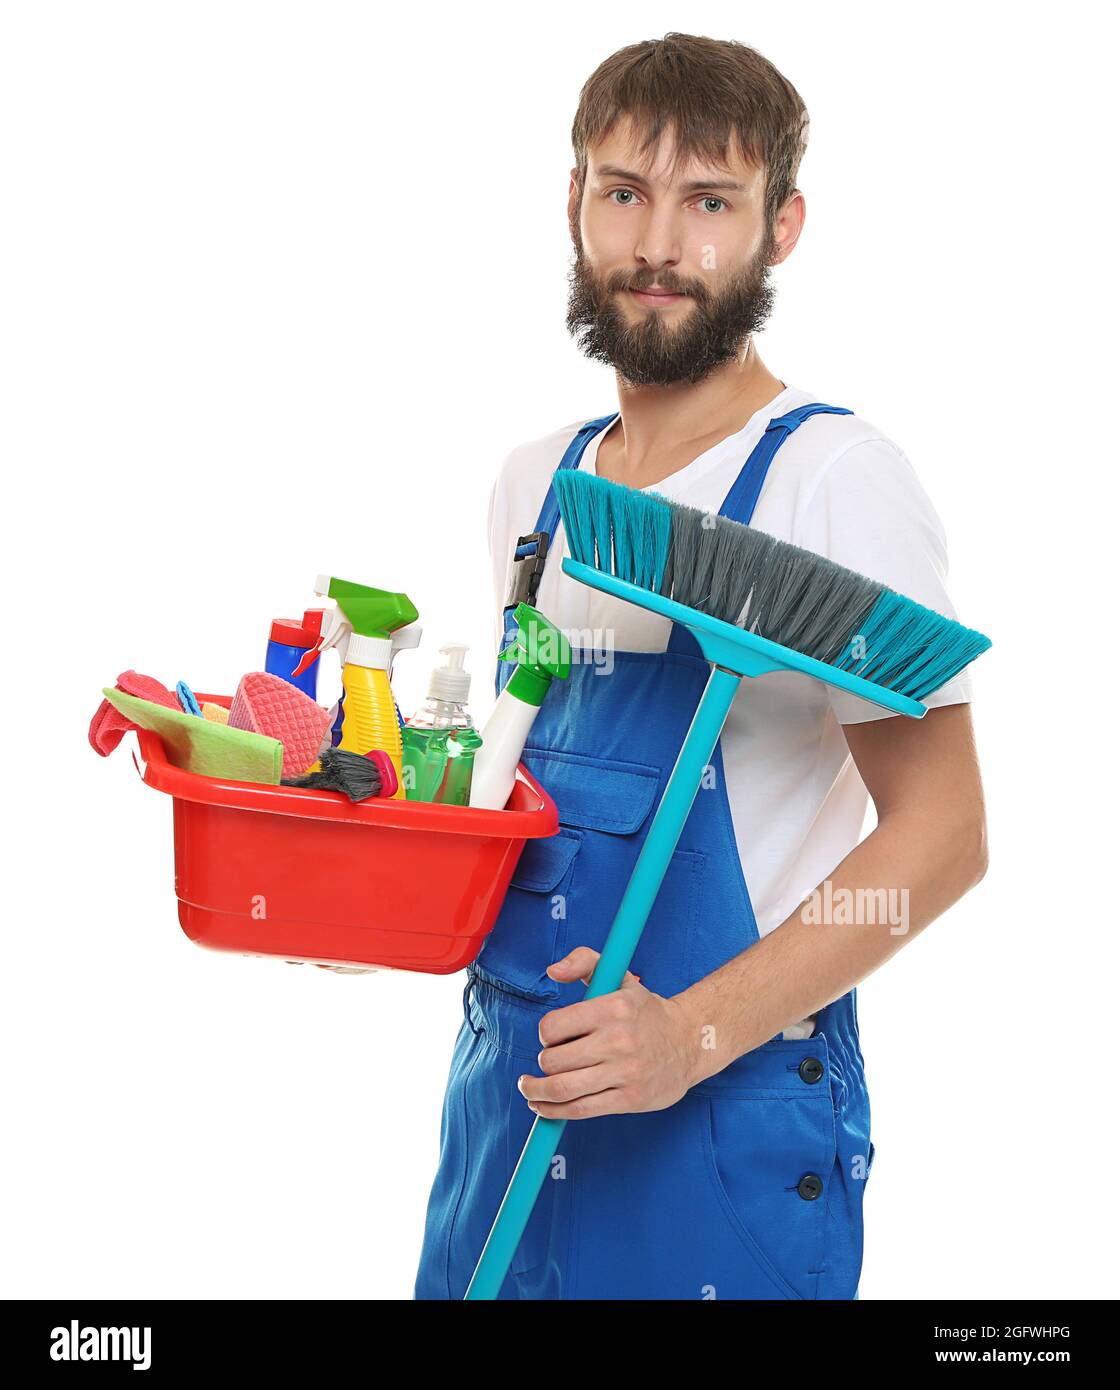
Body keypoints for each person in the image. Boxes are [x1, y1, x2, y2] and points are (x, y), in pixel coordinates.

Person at [416, 31, 987, 1301]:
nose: (660, 245)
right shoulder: (539, 487)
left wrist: (693, 1031)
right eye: (624, 192)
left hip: (722, 1123)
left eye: (709, 202)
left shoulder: (833, 481)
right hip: (508, 1095)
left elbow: (942, 839)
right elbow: (511, 788)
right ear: (574, 204)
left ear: (780, 226)